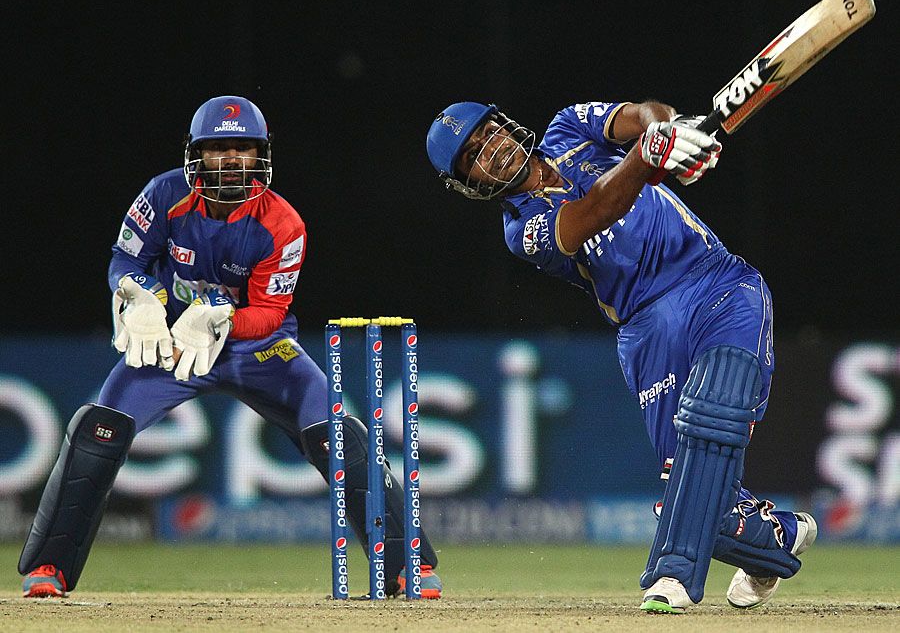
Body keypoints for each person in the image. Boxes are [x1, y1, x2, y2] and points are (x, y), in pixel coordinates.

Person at [19, 95, 442, 599]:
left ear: (261, 155)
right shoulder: (163, 195)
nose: (232, 160)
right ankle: (50, 569)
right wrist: (143, 297)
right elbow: (123, 261)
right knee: (96, 430)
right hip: (173, 344)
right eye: (219, 148)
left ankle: (407, 565)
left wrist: (222, 321)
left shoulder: (284, 224)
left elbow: (270, 313)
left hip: (256, 348)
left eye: (244, 149)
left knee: (337, 433)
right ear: (196, 154)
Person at [425, 100, 816, 613]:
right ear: (471, 183)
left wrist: (669, 134)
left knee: (712, 417)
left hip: (719, 286)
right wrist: (647, 157)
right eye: (473, 156)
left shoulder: (566, 126)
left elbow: (643, 114)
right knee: (690, 496)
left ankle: (672, 577)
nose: (491, 150)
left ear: (506, 123)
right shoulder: (521, 231)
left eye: (488, 133)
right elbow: (595, 212)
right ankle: (780, 537)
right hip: (647, 330)